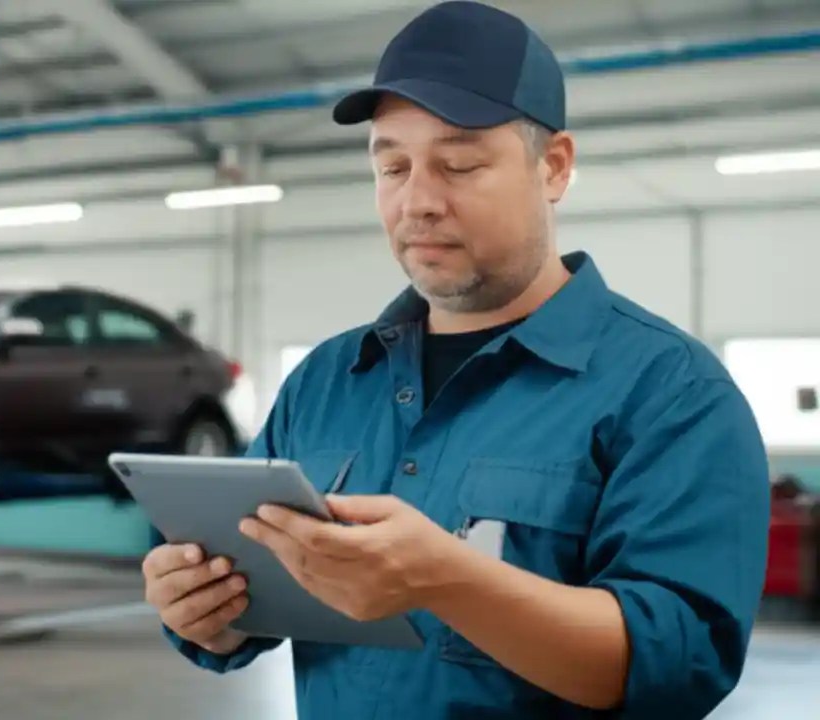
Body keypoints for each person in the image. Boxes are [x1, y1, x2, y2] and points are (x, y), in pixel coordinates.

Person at [140, 2, 770, 717]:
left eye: (459, 164)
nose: (418, 201)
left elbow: (681, 664)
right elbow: (249, 591)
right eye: (392, 167)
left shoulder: (670, 392)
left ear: (554, 167)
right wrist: (207, 612)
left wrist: (449, 582)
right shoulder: (325, 381)